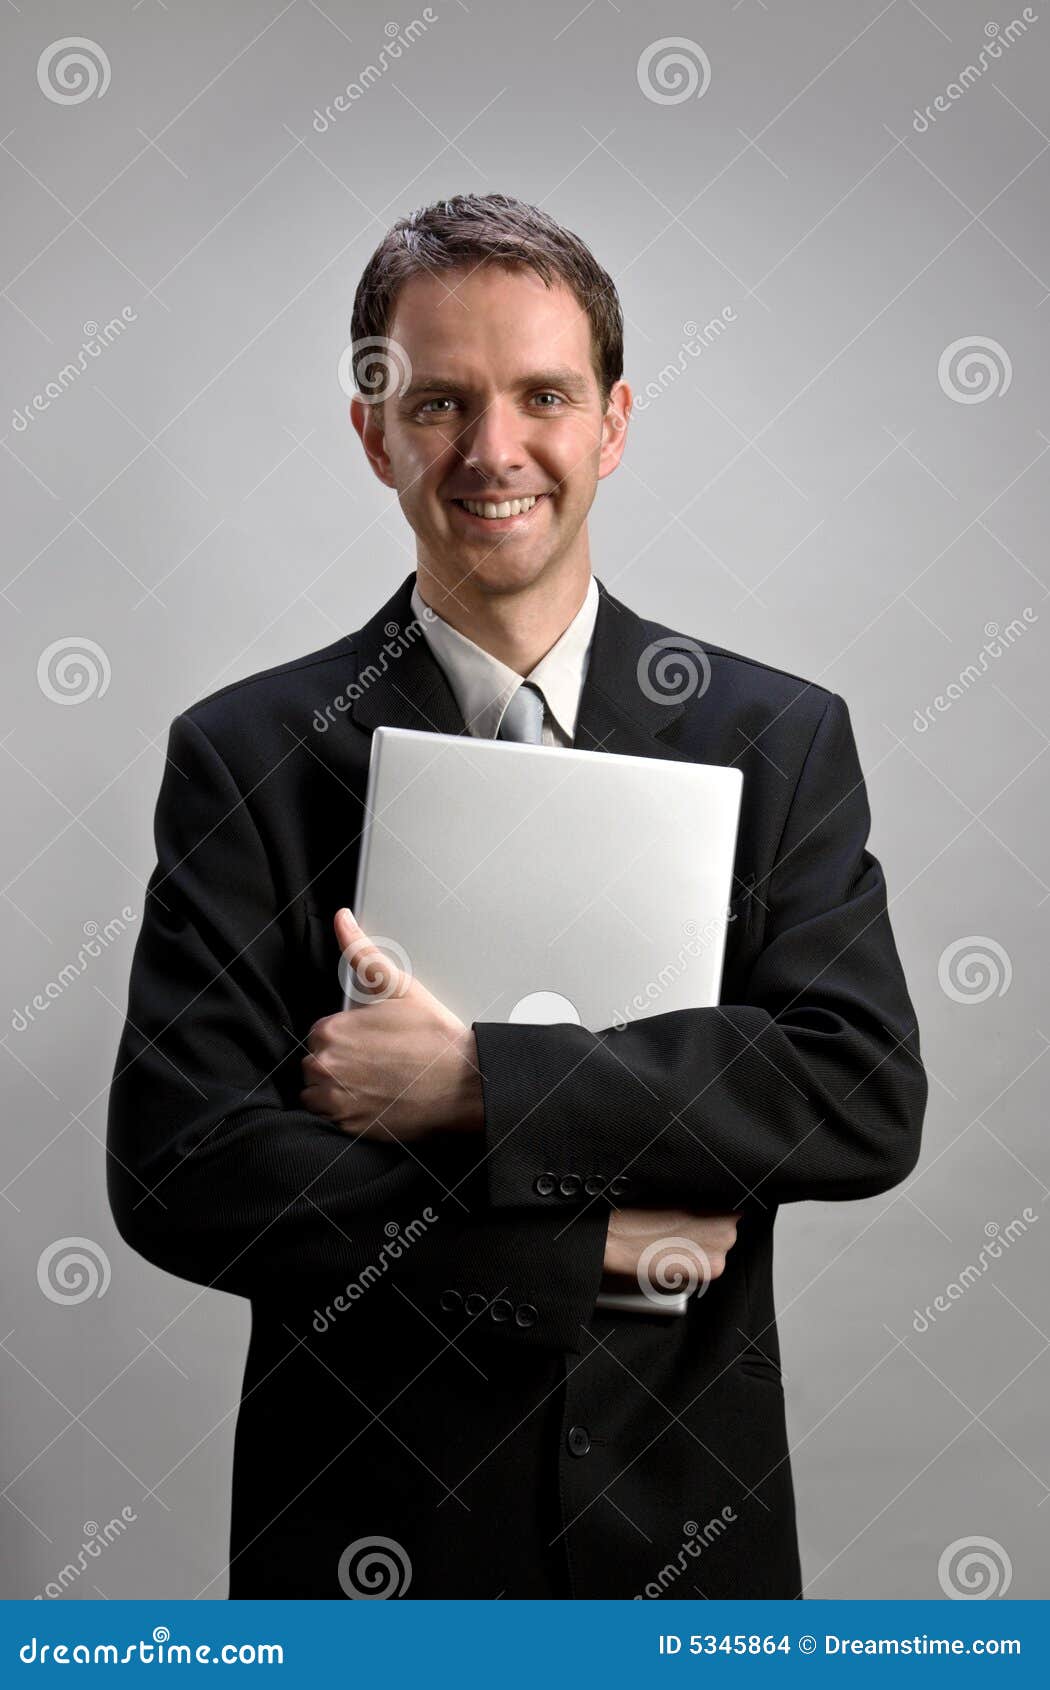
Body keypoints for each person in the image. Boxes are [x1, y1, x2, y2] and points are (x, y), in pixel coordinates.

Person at [106, 192, 927, 1600]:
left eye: (541, 395)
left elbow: (854, 1090)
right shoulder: (245, 755)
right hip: (366, 1553)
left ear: (610, 423)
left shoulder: (774, 738)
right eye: (440, 403)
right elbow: (184, 1168)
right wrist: (576, 1250)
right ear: (373, 432)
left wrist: (475, 1079)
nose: (494, 451)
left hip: (691, 1542)